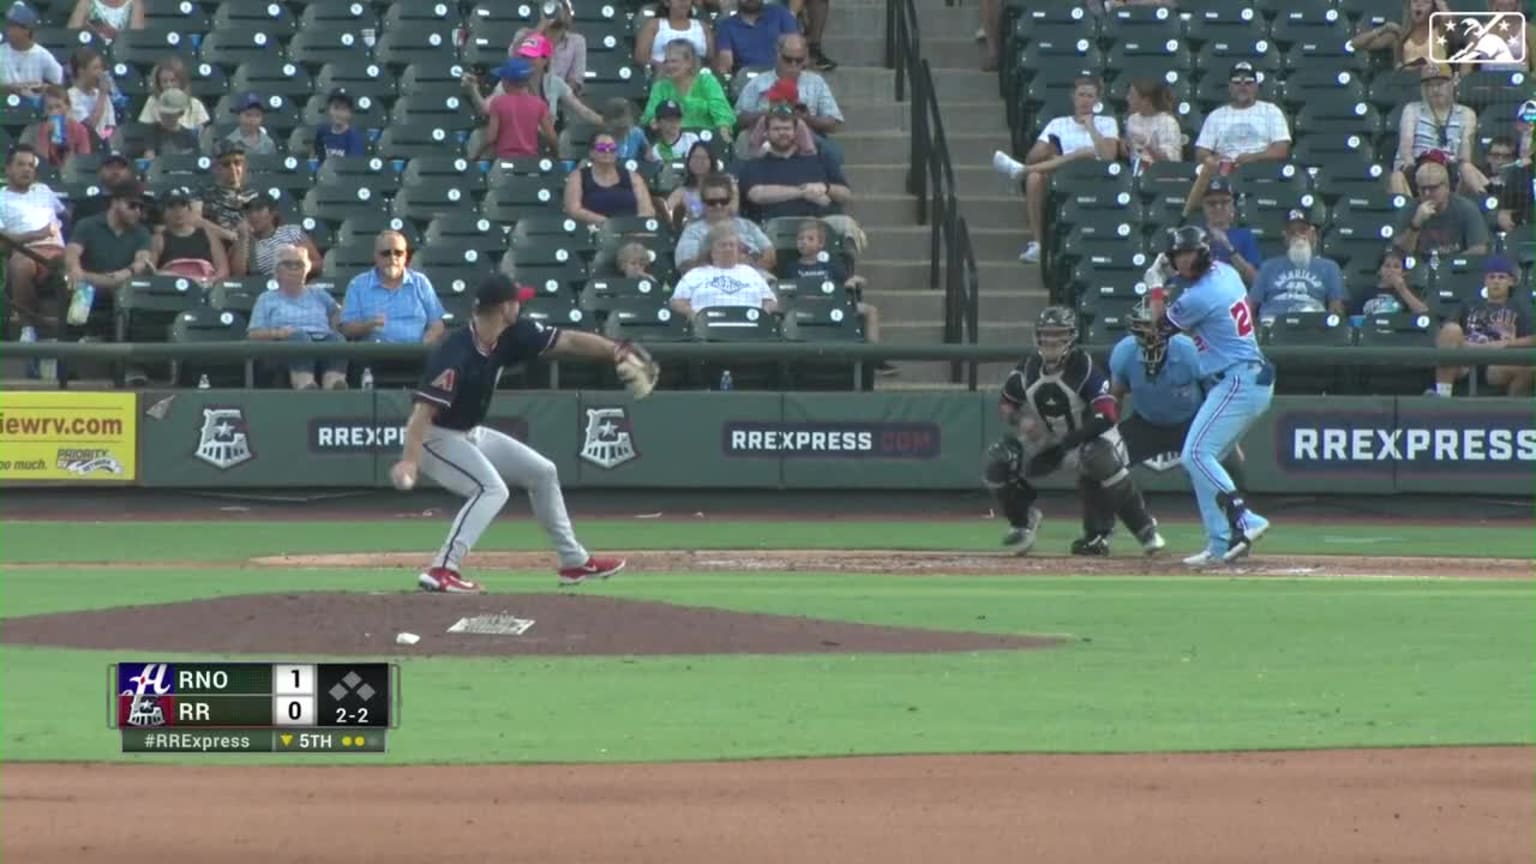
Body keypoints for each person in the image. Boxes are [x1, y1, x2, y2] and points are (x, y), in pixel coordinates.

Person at [389, 273, 648, 592]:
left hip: (469, 431)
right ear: (502, 308)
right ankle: (443, 568)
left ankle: (574, 561)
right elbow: (421, 415)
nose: (520, 305)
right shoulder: (454, 354)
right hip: (434, 436)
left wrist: (616, 351)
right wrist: (408, 461)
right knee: (490, 489)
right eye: (516, 301)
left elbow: (568, 340)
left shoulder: (511, 334)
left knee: (542, 472)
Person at [982, 305, 1165, 557]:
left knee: (1095, 457)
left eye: (1058, 335)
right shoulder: (1028, 368)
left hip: (1094, 439)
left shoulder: (1085, 367)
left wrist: (1065, 444)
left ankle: (1144, 528)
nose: (1051, 341)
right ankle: (1023, 522)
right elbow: (1006, 403)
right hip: (1052, 439)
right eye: (1046, 335)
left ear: (1071, 337)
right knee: (999, 458)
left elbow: (1107, 416)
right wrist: (1020, 419)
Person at [1075, 298, 1251, 555]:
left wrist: (1228, 438)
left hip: (1193, 423)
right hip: (1146, 423)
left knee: (1230, 464)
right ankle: (1097, 535)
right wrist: (1104, 434)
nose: (1150, 337)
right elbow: (1116, 395)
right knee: (1094, 460)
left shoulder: (1190, 351)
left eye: (1156, 329)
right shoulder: (1124, 353)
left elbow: (1216, 394)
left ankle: (1237, 532)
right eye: (1143, 330)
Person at [1144, 226, 1274, 567]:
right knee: (1201, 460)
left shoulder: (1200, 296)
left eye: (1186, 254)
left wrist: (1156, 286)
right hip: (1243, 377)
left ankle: (1246, 520)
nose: (1182, 261)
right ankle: (1219, 543)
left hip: (1238, 378)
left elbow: (1157, 331)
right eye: (1179, 255)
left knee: (1195, 455)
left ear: (1201, 253)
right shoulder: (1226, 272)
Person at [990, 76, 1119, 263]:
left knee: (1087, 152)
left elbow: (1108, 157)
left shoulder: (1107, 123)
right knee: (1035, 177)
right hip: (1064, 176)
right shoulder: (1058, 124)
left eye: (1090, 96)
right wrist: (1047, 151)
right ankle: (1038, 244)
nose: (1085, 100)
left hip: (1097, 177)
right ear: (1073, 96)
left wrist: (1091, 127)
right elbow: (1032, 157)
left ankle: (1019, 171)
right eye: (1081, 94)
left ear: (1097, 100)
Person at [1184, 62, 1291, 217]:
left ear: (1256, 86)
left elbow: (1281, 150)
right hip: (1223, 176)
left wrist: (1253, 158)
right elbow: (1201, 152)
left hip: (1261, 174)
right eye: (1237, 82)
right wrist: (1216, 159)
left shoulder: (1271, 111)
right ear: (1229, 87)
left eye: (1248, 82)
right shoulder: (1216, 115)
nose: (1242, 86)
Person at [246, 244, 348, 390]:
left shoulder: (318, 294)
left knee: (336, 339)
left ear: (306, 270)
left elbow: (336, 312)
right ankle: (305, 385)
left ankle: (334, 385)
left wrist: (335, 326)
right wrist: (278, 333)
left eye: (299, 264)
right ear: (276, 272)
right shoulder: (267, 299)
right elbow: (253, 334)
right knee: (299, 337)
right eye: (288, 264)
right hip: (284, 346)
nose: (294, 268)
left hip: (321, 341)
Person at [1430, 256, 1533, 398]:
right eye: (1492, 277)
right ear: (1485, 281)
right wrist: (1469, 346)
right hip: (1466, 359)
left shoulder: (1519, 308)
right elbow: (1443, 336)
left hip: (1499, 362)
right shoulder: (1468, 304)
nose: (1496, 281)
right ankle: (1442, 396)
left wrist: (1506, 343)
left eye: (1501, 277)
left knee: (1531, 369)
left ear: (1511, 282)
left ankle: (1512, 413)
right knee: (1451, 329)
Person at [62, 181, 155, 327]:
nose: (137, 211)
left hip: (123, 287)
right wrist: (74, 267)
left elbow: (142, 262)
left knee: (128, 290)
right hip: (89, 288)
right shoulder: (88, 225)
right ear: (115, 202)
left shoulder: (141, 232)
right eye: (132, 205)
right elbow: (73, 250)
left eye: (141, 207)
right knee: (75, 285)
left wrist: (127, 271)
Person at [736, 105, 851, 222]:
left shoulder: (819, 161)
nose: (782, 133)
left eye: (787, 128)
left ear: (796, 131)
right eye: (776, 129)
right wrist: (803, 192)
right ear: (767, 133)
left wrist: (825, 188)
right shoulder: (754, 164)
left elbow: (845, 194)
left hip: (819, 226)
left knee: (846, 224)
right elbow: (756, 194)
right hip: (772, 228)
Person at [0, 144, 67, 338]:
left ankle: (73, 329)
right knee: (20, 265)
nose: (27, 169)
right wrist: (36, 235)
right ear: (8, 169)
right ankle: (27, 328)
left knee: (75, 263)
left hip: (57, 250)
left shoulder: (44, 190)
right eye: (21, 164)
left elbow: (65, 215)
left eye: (31, 165)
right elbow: (2, 241)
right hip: (26, 251)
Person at [1390, 66, 1484, 196]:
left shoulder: (1467, 114)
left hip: (1449, 170)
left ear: (1452, 84)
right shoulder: (1412, 110)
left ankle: (1488, 200)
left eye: (1440, 84)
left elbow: (1465, 156)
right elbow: (1406, 147)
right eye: (1429, 86)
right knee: (1396, 176)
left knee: (1467, 168)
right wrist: (1413, 163)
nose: (1435, 90)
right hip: (1418, 168)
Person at [669, 222, 779, 318]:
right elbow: (676, 302)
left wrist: (764, 313)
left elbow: (770, 301)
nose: (728, 249)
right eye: (723, 245)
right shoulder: (695, 274)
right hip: (708, 328)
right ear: (710, 250)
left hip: (749, 327)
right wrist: (692, 314)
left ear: (738, 250)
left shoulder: (751, 273)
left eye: (732, 245)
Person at [1249, 210, 1347, 318]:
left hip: (1311, 325)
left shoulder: (1329, 267)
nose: (1298, 235)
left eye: (1303, 230)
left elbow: (1336, 308)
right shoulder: (1268, 266)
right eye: (1292, 232)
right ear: (1285, 237)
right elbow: (1251, 305)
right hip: (1273, 323)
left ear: (1313, 235)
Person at [672, 171, 772, 273]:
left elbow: (770, 256)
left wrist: (748, 269)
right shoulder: (693, 231)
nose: (718, 206)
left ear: (730, 201)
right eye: (712, 202)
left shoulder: (748, 226)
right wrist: (725, 262)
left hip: (754, 279)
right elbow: (686, 265)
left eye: (723, 201)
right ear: (703, 203)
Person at [639, 40, 735, 142]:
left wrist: (723, 129)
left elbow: (721, 112)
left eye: (674, 61)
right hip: (672, 141)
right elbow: (649, 115)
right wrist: (654, 121)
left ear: (689, 63)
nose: (669, 66)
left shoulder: (707, 81)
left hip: (705, 140)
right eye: (666, 62)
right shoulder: (660, 87)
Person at [1393, 160, 1489, 257]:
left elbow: (1479, 249)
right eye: (1422, 188)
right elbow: (1401, 252)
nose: (1427, 193)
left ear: (1447, 187)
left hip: (1455, 268)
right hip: (1419, 267)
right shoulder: (1410, 209)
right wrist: (1415, 224)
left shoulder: (1466, 208)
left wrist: (1447, 265)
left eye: (1432, 188)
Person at [562, 130, 658, 226]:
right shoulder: (578, 176)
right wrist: (609, 224)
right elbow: (573, 209)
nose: (607, 151)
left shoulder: (633, 177)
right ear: (591, 152)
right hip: (593, 230)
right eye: (601, 148)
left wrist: (632, 227)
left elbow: (647, 210)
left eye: (611, 148)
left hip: (631, 232)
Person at [474, 58, 557, 160]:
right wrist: (556, 156)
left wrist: (476, 155)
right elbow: (551, 137)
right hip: (531, 161)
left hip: (505, 160)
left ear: (506, 81)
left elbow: (491, 138)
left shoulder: (498, 103)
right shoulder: (539, 104)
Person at [1187, 178, 1259, 286]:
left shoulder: (1245, 235)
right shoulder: (1193, 235)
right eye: (1212, 203)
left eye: (1225, 202)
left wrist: (1228, 247)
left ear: (1232, 206)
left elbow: (1255, 280)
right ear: (1203, 207)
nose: (1218, 207)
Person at [1348, 0, 1451, 74]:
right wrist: (1383, 29)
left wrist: (1440, 4)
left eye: (1425, 2)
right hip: (1409, 83)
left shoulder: (1440, 31)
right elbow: (1354, 44)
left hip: (1437, 80)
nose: (1419, 5)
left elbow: (1447, 17)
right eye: (1415, 1)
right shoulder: (1399, 35)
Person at [151, 187, 227, 282]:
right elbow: (150, 271)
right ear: (163, 212)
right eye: (171, 206)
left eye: (182, 205)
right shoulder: (158, 239)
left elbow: (223, 270)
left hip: (206, 286)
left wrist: (210, 281)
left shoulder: (208, 235)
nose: (178, 211)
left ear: (189, 209)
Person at [512, 0, 587, 94]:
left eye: (562, 8)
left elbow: (576, 79)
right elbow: (514, 62)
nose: (557, 12)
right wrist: (537, 32)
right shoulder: (523, 34)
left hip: (561, 97)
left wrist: (555, 95)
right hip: (525, 94)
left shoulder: (577, 41)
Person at [235, 197, 321, 278]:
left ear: (272, 213)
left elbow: (319, 264)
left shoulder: (291, 231)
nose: (253, 215)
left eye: (259, 210)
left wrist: (297, 267)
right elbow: (239, 276)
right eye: (249, 211)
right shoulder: (243, 241)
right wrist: (244, 238)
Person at [197, 141, 258, 253]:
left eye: (237, 162)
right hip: (215, 248)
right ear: (215, 168)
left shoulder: (254, 195)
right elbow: (194, 220)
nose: (233, 168)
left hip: (250, 249)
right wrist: (229, 235)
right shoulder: (203, 194)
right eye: (226, 164)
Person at [713, 0, 800, 76]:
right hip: (747, 80)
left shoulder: (780, 13)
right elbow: (725, 61)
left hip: (781, 75)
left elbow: (796, 47)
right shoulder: (726, 25)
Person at [1, 4, 64, 102]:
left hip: (33, 109)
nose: (8, 29)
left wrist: (44, 88)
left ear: (26, 30)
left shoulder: (42, 55)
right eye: (8, 24)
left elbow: (59, 82)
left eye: (13, 26)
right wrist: (9, 88)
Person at [137, 56, 210, 131]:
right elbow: (145, 130)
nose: (169, 85)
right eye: (164, 81)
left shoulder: (195, 104)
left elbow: (202, 134)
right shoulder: (152, 102)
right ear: (159, 83)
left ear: (181, 81)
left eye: (173, 80)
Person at [636, 0, 712, 72]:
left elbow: (711, 59)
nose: (683, 1)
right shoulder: (654, 25)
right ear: (667, 2)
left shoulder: (703, 27)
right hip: (662, 76)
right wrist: (668, 67)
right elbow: (641, 57)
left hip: (697, 77)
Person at [1122, 79, 1182, 169]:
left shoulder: (1168, 123)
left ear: (1145, 101)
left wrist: (1148, 146)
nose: (1127, 98)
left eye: (1132, 96)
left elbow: (1171, 162)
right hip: (1137, 172)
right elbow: (1130, 153)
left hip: (1162, 175)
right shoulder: (1132, 120)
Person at [1355, 246, 1430, 316]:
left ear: (1403, 273)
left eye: (1396, 266)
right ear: (1379, 271)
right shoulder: (1366, 292)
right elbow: (1355, 317)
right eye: (1387, 266)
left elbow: (1423, 314)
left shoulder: (1410, 292)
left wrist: (1402, 290)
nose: (1391, 270)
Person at [33, 86, 93, 166]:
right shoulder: (43, 129)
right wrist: (46, 134)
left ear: (68, 106)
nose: (54, 112)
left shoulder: (80, 130)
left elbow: (85, 161)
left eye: (58, 106)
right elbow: (42, 163)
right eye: (50, 108)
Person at [663, 139, 717, 228]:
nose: (698, 161)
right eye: (695, 157)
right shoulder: (682, 192)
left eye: (703, 158)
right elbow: (667, 212)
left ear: (711, 160)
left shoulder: (724, 187)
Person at [67, 47, 116, 140]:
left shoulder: (102, 93)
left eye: (101, 67)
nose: (100, 73)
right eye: (95, 68)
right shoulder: (70, 97)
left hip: (104, 146)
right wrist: (102, 96)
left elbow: (111, 126)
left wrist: (105, 138)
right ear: (81, 71)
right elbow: (89, 128)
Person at [140, 88, 200, 158]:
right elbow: (149, 157)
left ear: (181, 113)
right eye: (163, 113)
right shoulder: (152, 132)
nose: (165, 117)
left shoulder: (190, 137)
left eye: (170, 115)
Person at [312, 89, 367, 163]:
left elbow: (353, 166)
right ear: (329, 110)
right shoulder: (322, 132)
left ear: (350, 113)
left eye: (344, 109)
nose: (339, 113)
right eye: (336, 107)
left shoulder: (355, 138)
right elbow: (317, 157)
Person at [66, 0, 143, 43]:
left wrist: (115, 34)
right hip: (91, 52)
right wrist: (89, 29)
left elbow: (136, 39)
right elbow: (71, 33)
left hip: (122, 54)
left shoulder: (135, 3)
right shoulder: (87, 1)